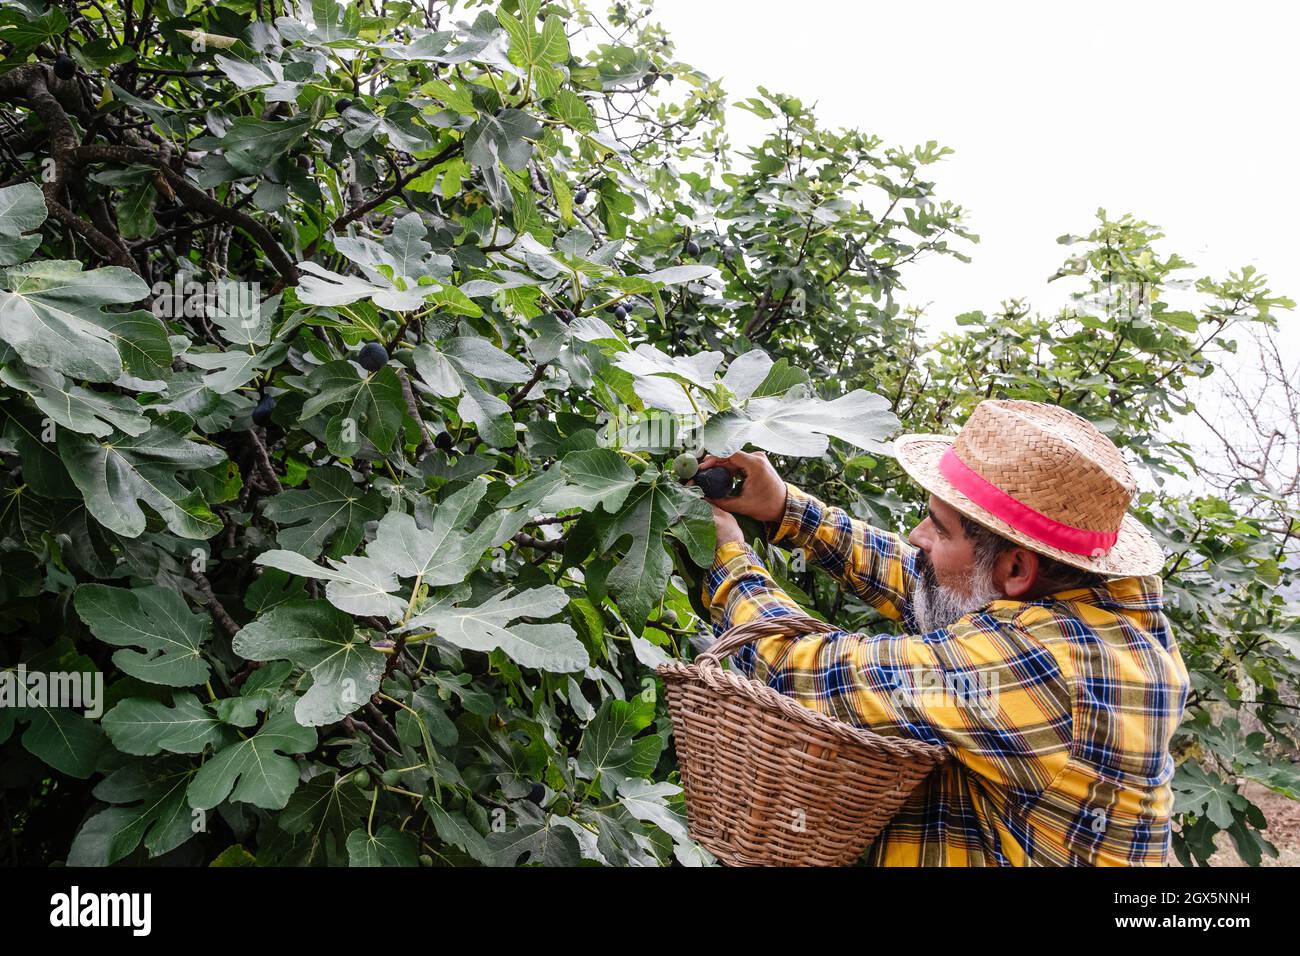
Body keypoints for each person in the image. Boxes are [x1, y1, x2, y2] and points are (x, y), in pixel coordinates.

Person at [696, 399, 1190, 866]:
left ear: (1017, 567)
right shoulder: (1103, 612)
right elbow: (928, 581)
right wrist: (787, 508)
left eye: (939, 527)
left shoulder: (1045, 668)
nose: (917, 536)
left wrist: (727, 558)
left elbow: (798, 672)